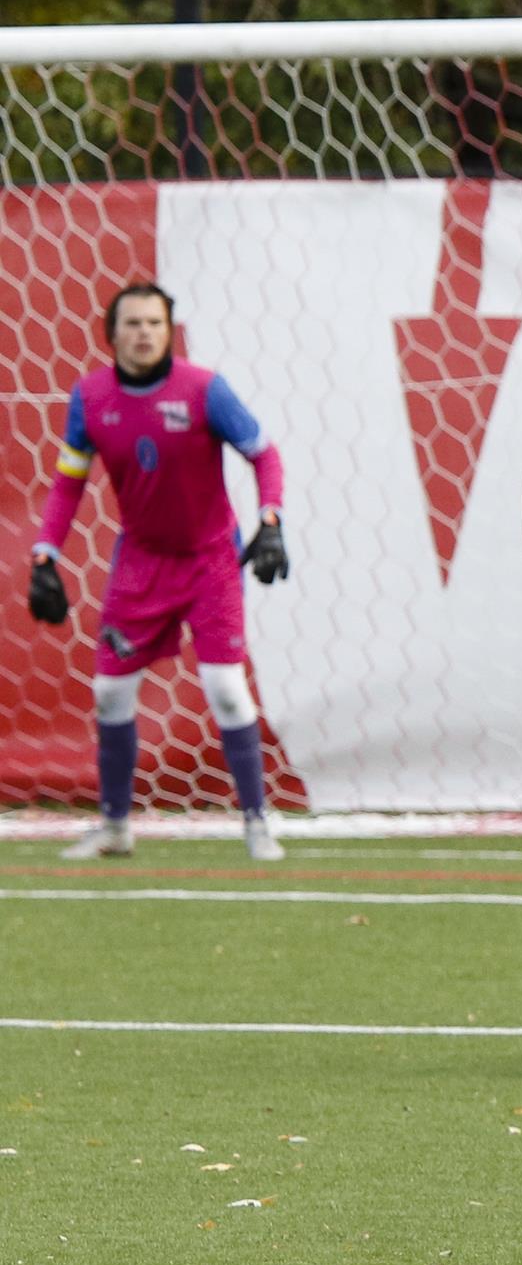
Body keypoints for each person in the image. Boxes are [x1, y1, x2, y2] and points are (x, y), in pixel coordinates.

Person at [28, 282, 289, 863]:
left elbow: (265, 455)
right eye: (132, 322)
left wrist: (270, 521)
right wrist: (45, 553)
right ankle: (116, 827)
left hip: (210, 561)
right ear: (111, 332)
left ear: (169, 330)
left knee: (225, 688)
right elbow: (69, 482)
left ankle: (257, 822)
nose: (144, 332)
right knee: (110, 694)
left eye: (154, 322)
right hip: (139, 564)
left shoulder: (204, 391)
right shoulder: (90, 398)